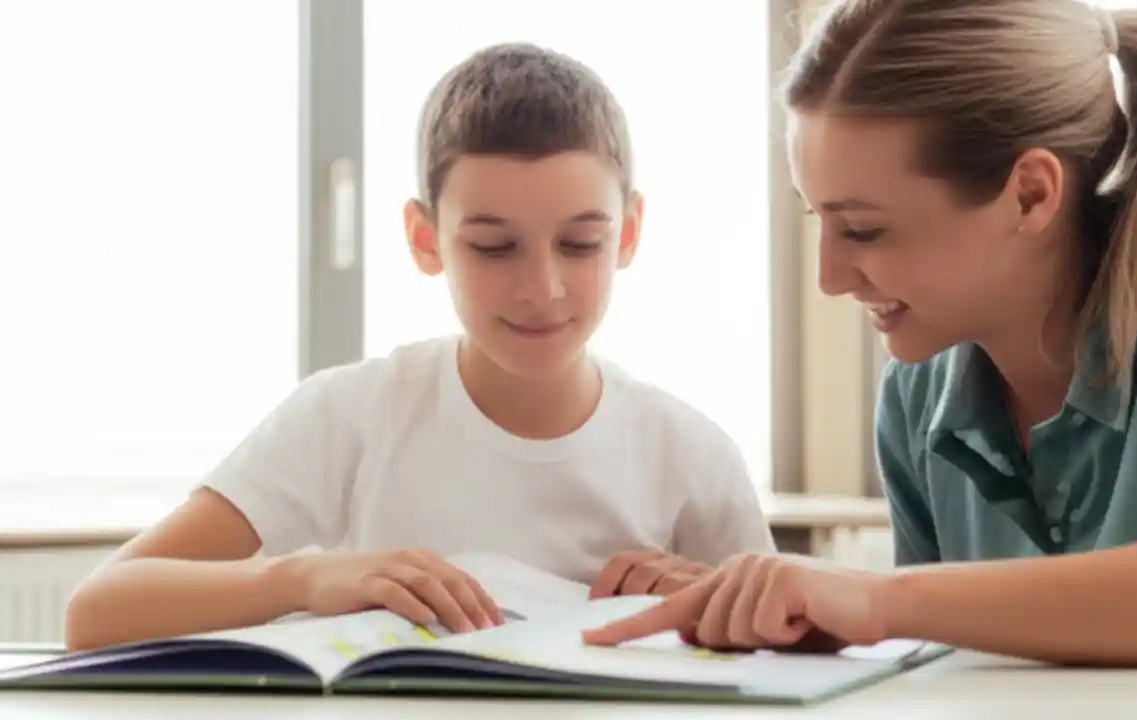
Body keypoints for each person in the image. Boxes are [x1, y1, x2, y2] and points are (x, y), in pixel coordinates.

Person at [584, 0, 1137, 665]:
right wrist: (789, 614)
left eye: (863, 229)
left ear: (1031, 194)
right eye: (814, 219)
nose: (829, 277)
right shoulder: (918, 393)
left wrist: (880, 601)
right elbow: (942, 664)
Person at [64, 43, 773, 652]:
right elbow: (97, 611)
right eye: (494, 247)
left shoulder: (690, 455)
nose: (542, 287)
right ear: (425, 239)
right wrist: (307, 579)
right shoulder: (351, 415)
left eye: (580, 243)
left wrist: (725, 604)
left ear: (627, 234)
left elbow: (801, 650)